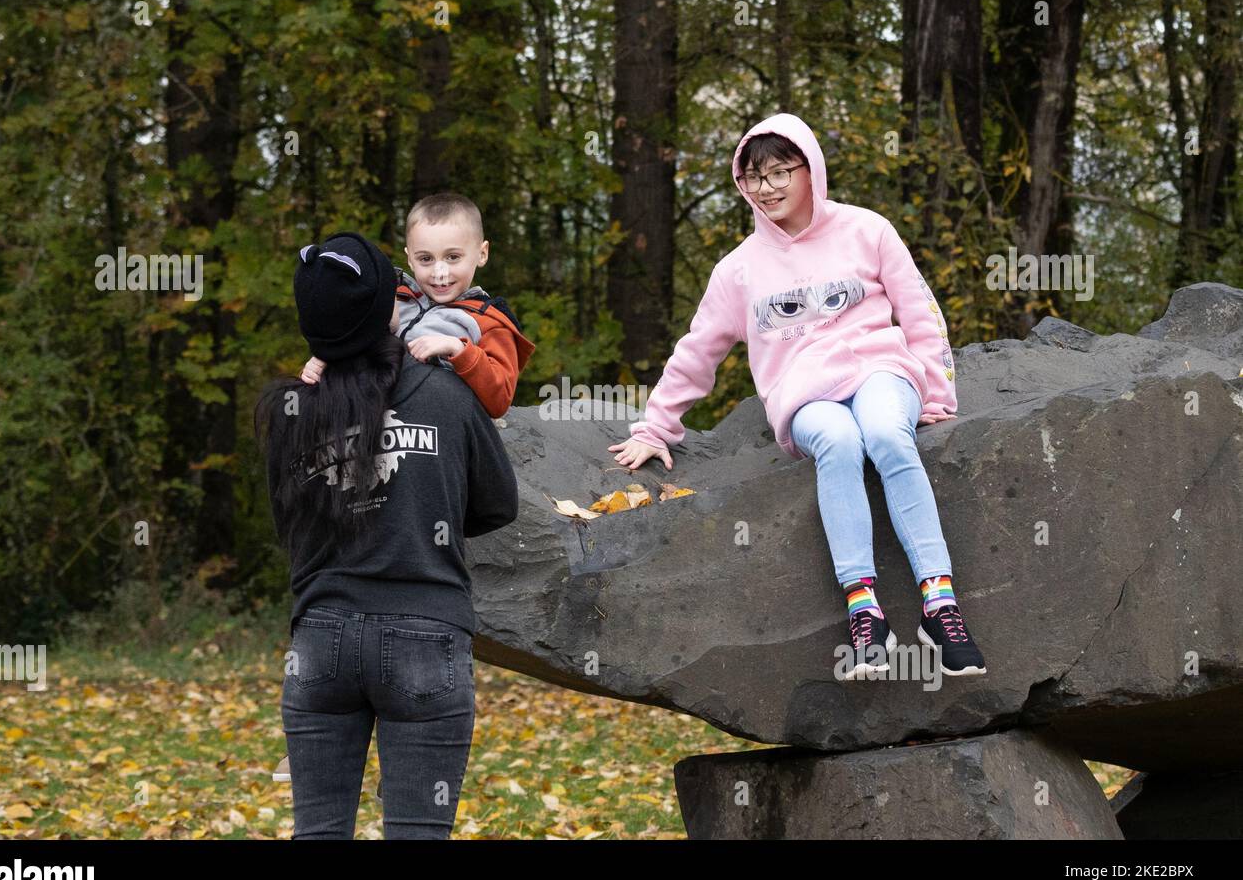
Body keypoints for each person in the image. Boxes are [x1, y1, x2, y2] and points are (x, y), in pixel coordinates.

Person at [608, 113, 986, 681]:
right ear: (742, 185)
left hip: (882, 371)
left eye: (783, 170)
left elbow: (919, 312)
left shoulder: (868, 230)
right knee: (837, 442)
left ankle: (940, 605)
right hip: (805, 398)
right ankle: (866, 614)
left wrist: (937, 391)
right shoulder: (737, 271)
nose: (770, 187)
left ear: (812, 169)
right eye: (755, 177)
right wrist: (655, 428)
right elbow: (696, 351)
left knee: (884, 431)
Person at [256, 231, 518, 838]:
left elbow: (290, 530)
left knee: (317, 833)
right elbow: (497, 504)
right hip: (426, 639)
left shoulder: (290, 414)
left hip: (319, 642)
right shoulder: (448, 394)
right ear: (387, 307)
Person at [298, 192, 534, 418]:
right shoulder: (394, 300)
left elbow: (501, 399)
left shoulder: (488, 321)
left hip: (438, 429)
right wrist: (326, 360)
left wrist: (459, 350)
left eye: (453, 257)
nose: (439, 272)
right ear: (410, 257)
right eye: (425, 259)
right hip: (375, 421)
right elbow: (357, 342)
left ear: (482, 254)